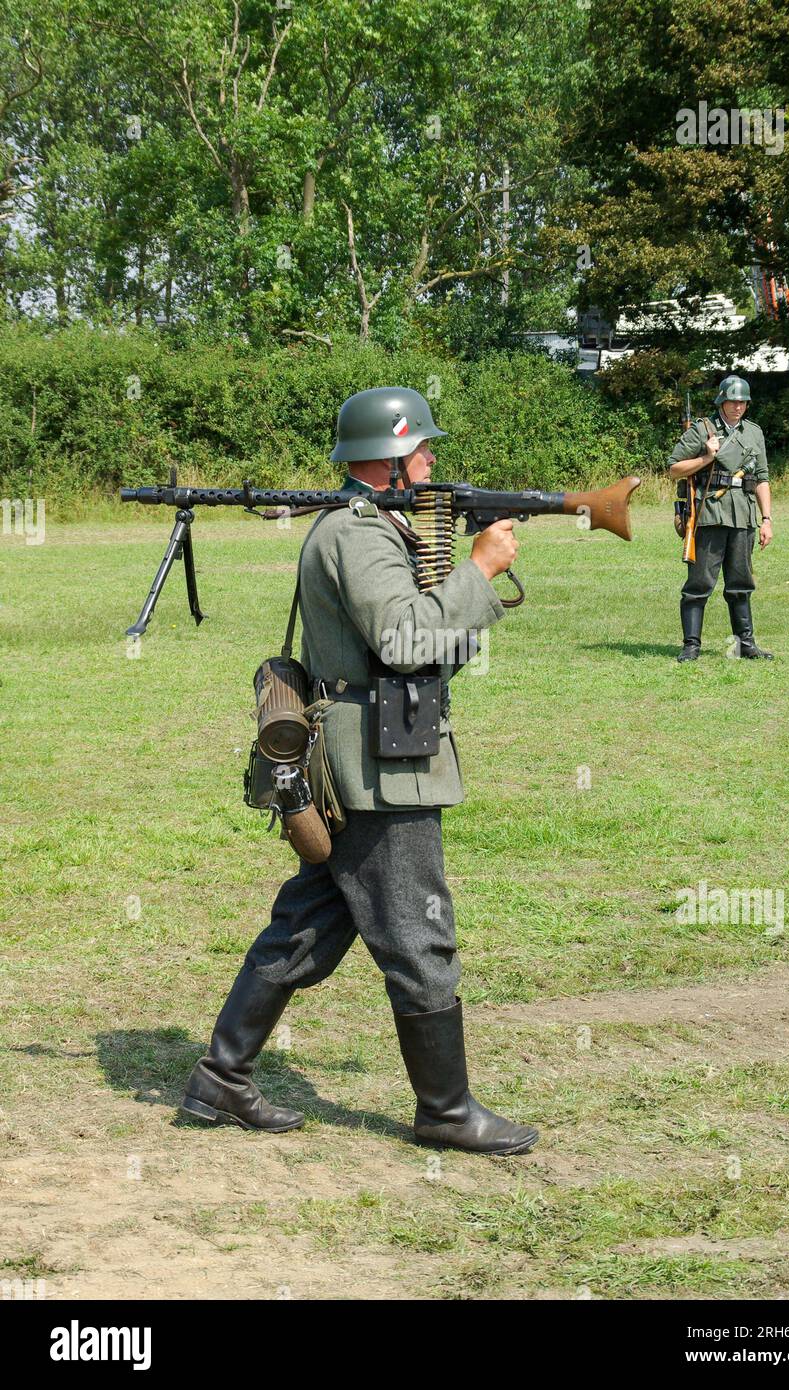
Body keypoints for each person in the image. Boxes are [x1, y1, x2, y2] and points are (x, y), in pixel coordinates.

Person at [181, 387, 539, 1156]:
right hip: (376, 762)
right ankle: (444, 1110)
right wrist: (477, 569)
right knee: (418, 929)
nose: (434, 459)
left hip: (375, 745)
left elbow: (433, 642)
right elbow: (407, 639)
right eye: (423, 448)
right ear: (388, 456)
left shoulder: (375, 525)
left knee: (315, 916)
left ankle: (223, 1073)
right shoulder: (359, 533)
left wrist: (468, 583)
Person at [669, 375, 774, 661]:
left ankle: (746, 645)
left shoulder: (754, 433)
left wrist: (766, 519)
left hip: (743, 515)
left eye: (743, 402)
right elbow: (674, 469)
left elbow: (762, 479)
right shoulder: (702, 430)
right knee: (700, 584)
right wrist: (706, 457)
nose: (738, 407)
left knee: (741, 583)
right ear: (722, 401)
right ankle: (691, 646)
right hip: (710, 514)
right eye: (733, 401)